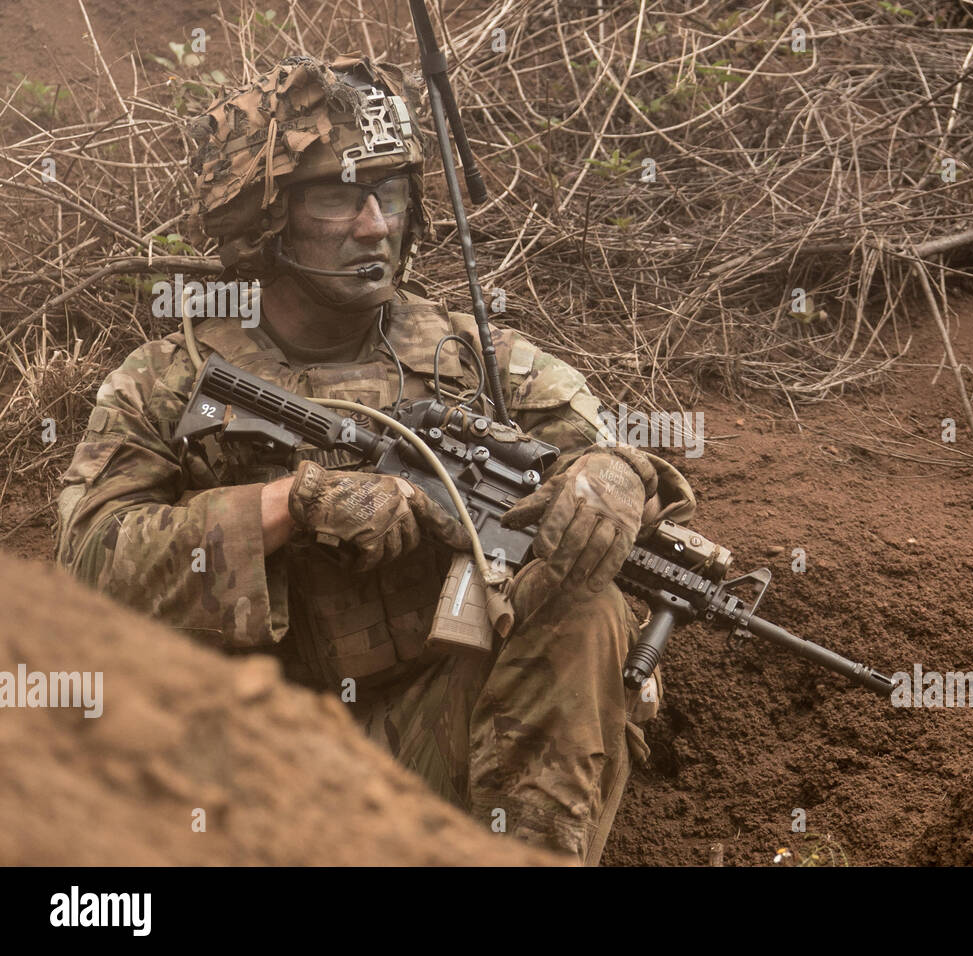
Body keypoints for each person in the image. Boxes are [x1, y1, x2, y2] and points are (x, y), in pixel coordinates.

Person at [54, 54, 694, 865]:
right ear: (266, 218)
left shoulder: (474, 360)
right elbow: (87, 569)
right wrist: (298, 504)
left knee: (587, 603)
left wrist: (619, 479)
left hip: (426, 740)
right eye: (336, 195)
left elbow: (610, 459)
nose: (374, 225)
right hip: (242, 781)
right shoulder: (166, 382)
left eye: (388, 192)